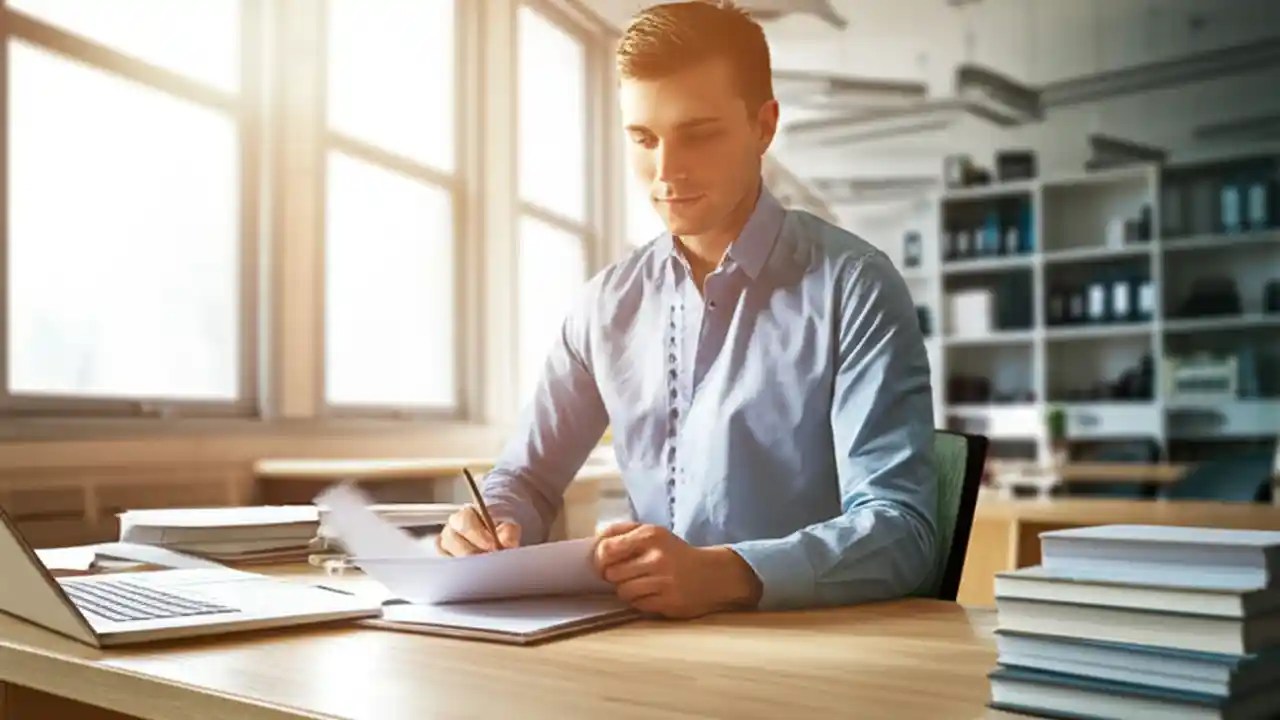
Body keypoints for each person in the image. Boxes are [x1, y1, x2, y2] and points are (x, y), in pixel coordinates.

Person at [438, 0, 936, 618]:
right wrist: (493, 523)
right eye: (644, 139)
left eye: (698, 134)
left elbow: (904, 530)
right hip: (644, 645)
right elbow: (527, 480)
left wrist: (729, 573)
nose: (665, 172)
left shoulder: (854, 286)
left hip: (810, 655)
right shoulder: (604, 306)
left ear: (764, 126)